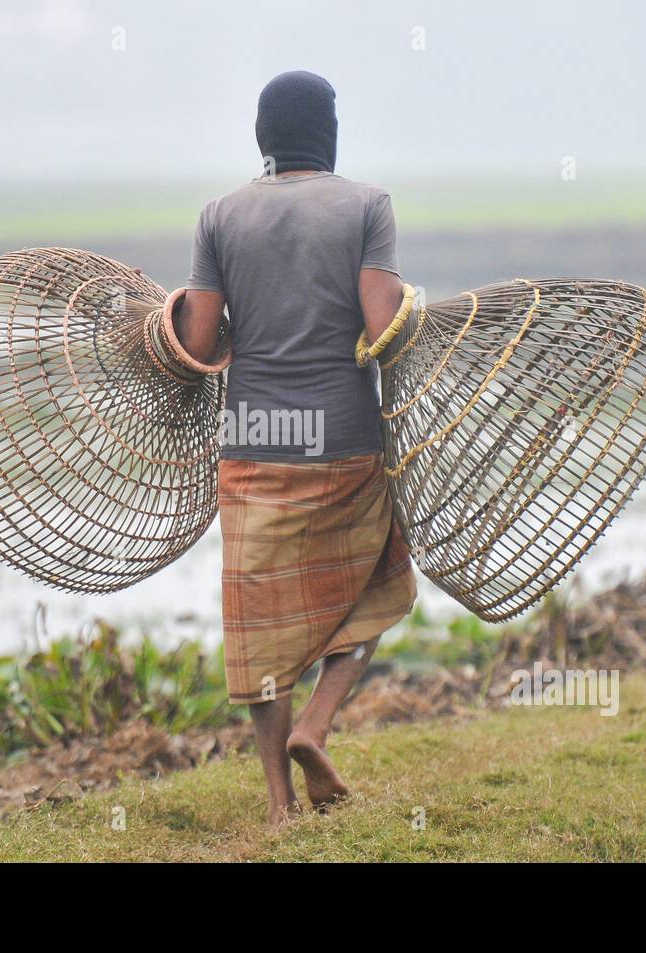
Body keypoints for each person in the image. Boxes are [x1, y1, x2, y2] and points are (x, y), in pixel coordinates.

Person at [173, 70, 417, 829]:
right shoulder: (366, 206)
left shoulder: (220, 215)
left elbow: (200, 341)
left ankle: (279, 805)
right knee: (381, 588)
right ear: (328, 135)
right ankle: (318, 721)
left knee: (259, 629)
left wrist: (175, 314)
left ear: (262, 137)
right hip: (345, 438)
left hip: (252, 446)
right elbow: (383, 327)